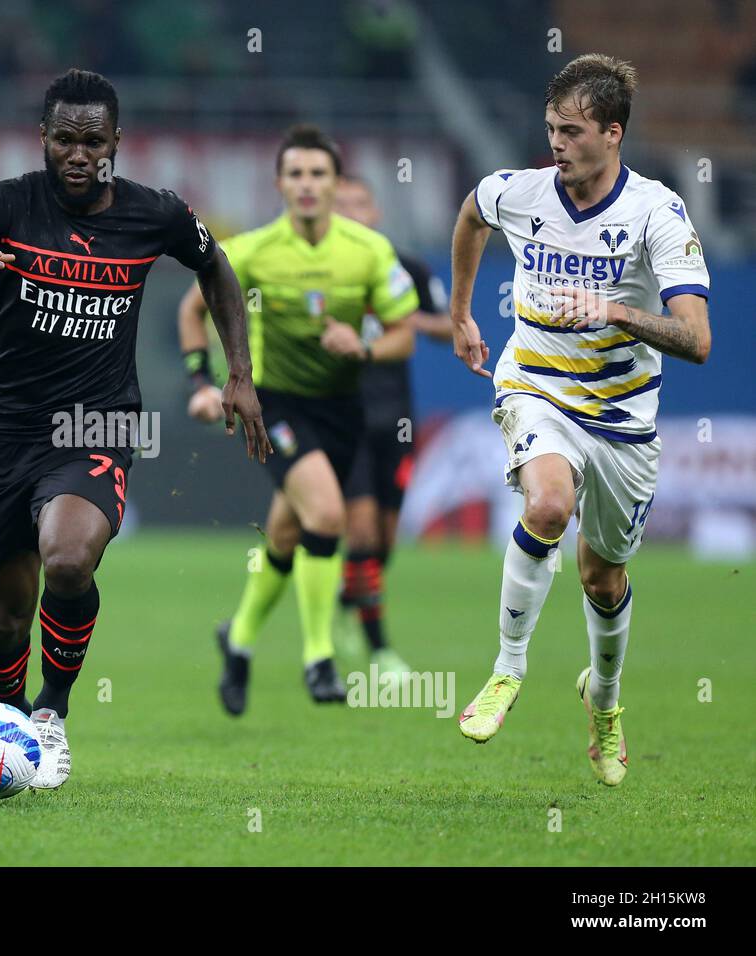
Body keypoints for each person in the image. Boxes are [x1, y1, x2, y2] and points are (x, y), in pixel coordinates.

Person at [0, 69, 271, 790]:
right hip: (4, 430)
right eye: (64, 139)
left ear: (116, 144)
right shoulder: (1, 205)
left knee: (69, 560)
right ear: (43, 139)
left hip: (95, 422)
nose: (78, 154)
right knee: (4, 617)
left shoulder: (154, 214)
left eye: (92, 142)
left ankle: (52, 714)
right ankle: (11, 719)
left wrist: (239, 373)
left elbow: (217, 266)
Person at [450, 55, 710, 786]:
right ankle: (507, 670)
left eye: (571, 131)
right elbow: (473, 211)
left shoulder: (656, 213)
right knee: (549, 503)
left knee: (602, 576)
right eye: (550, 129)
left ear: (613, 133)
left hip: (624, 422)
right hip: (535, 386)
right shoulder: (522, 192)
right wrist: (461, 311)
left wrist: (617, 311)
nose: (556, 144)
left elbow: (697, 339)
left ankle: (605, 702)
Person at [178, 125, 418, 715]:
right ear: (280, 183)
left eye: (319, 174)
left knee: (285, 536)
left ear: (336, 184)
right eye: (297, 174)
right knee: (330, 516)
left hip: (342, 409)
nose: (308, 185)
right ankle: (319, 658)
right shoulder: (254, 250)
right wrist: (202, 383)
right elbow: (192, 307)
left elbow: (404, 336)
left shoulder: (368, 251)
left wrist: (360, 346)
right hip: (274, 406)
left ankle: (236, 641)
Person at [330, 175, 452, 674]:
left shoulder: (410, 269)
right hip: (344, 415)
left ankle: (346, 599)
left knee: (383, 541)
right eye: (342, 206)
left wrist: (406, 320)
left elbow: (449, 326)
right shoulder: (321, 270)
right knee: (359, 536)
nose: (352, 213)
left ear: (375, 211)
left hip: (397, 419)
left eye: (360, 203)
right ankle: (380, 649)